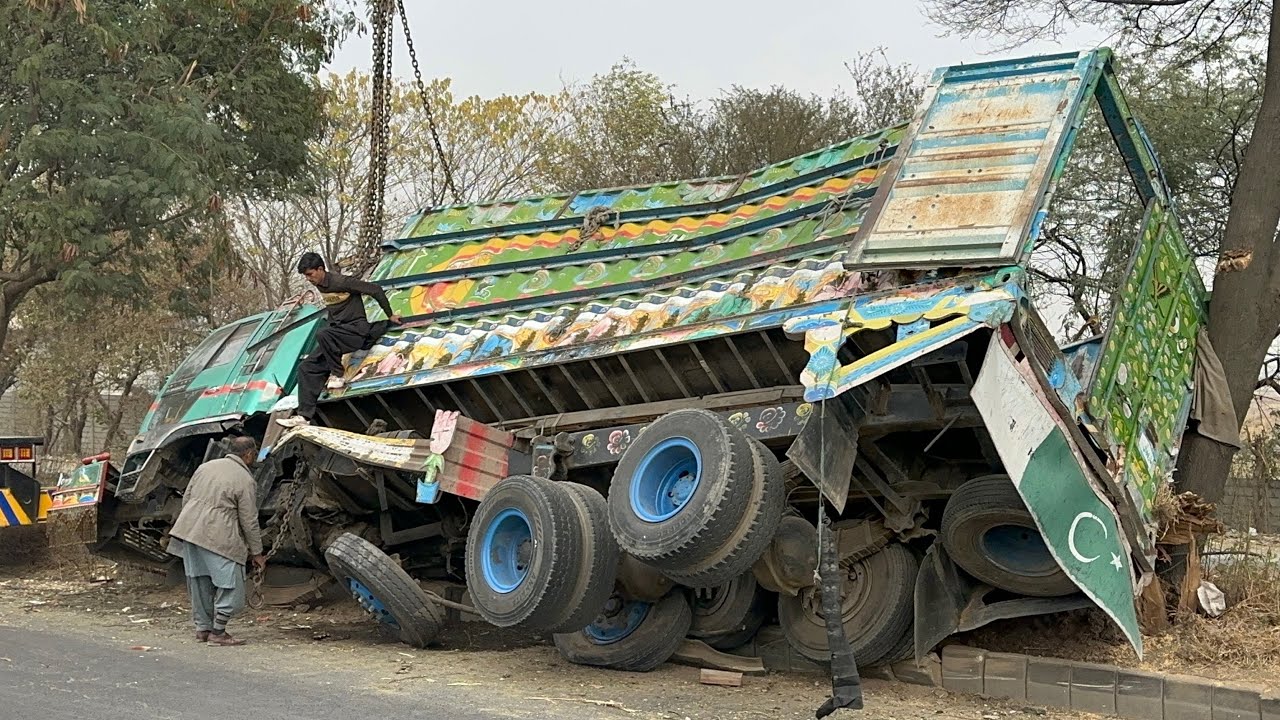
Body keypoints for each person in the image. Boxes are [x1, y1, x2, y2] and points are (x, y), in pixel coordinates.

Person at [279, 252, 401, 428]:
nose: (308, 279)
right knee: (306, 368)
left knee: (322, 334)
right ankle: (304, 417)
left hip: (356, 332)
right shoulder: (321, 285)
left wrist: (390, 315)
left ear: (320, 269)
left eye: (310, 274)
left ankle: (338, 373)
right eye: (306, 276)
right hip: (338, 334)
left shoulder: (341, 282)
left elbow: (376, 290)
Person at [167, 436, 265, 646]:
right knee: (232, 586)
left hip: (189, 531)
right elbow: (249, 520)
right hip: (219, 535)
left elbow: (187, 498)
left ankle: (202, 629)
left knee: (199, 581)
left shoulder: (206, 467)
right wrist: (257, 552)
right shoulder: (245, 479)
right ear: (248, 455)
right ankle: (218, 632)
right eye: (254, 454)